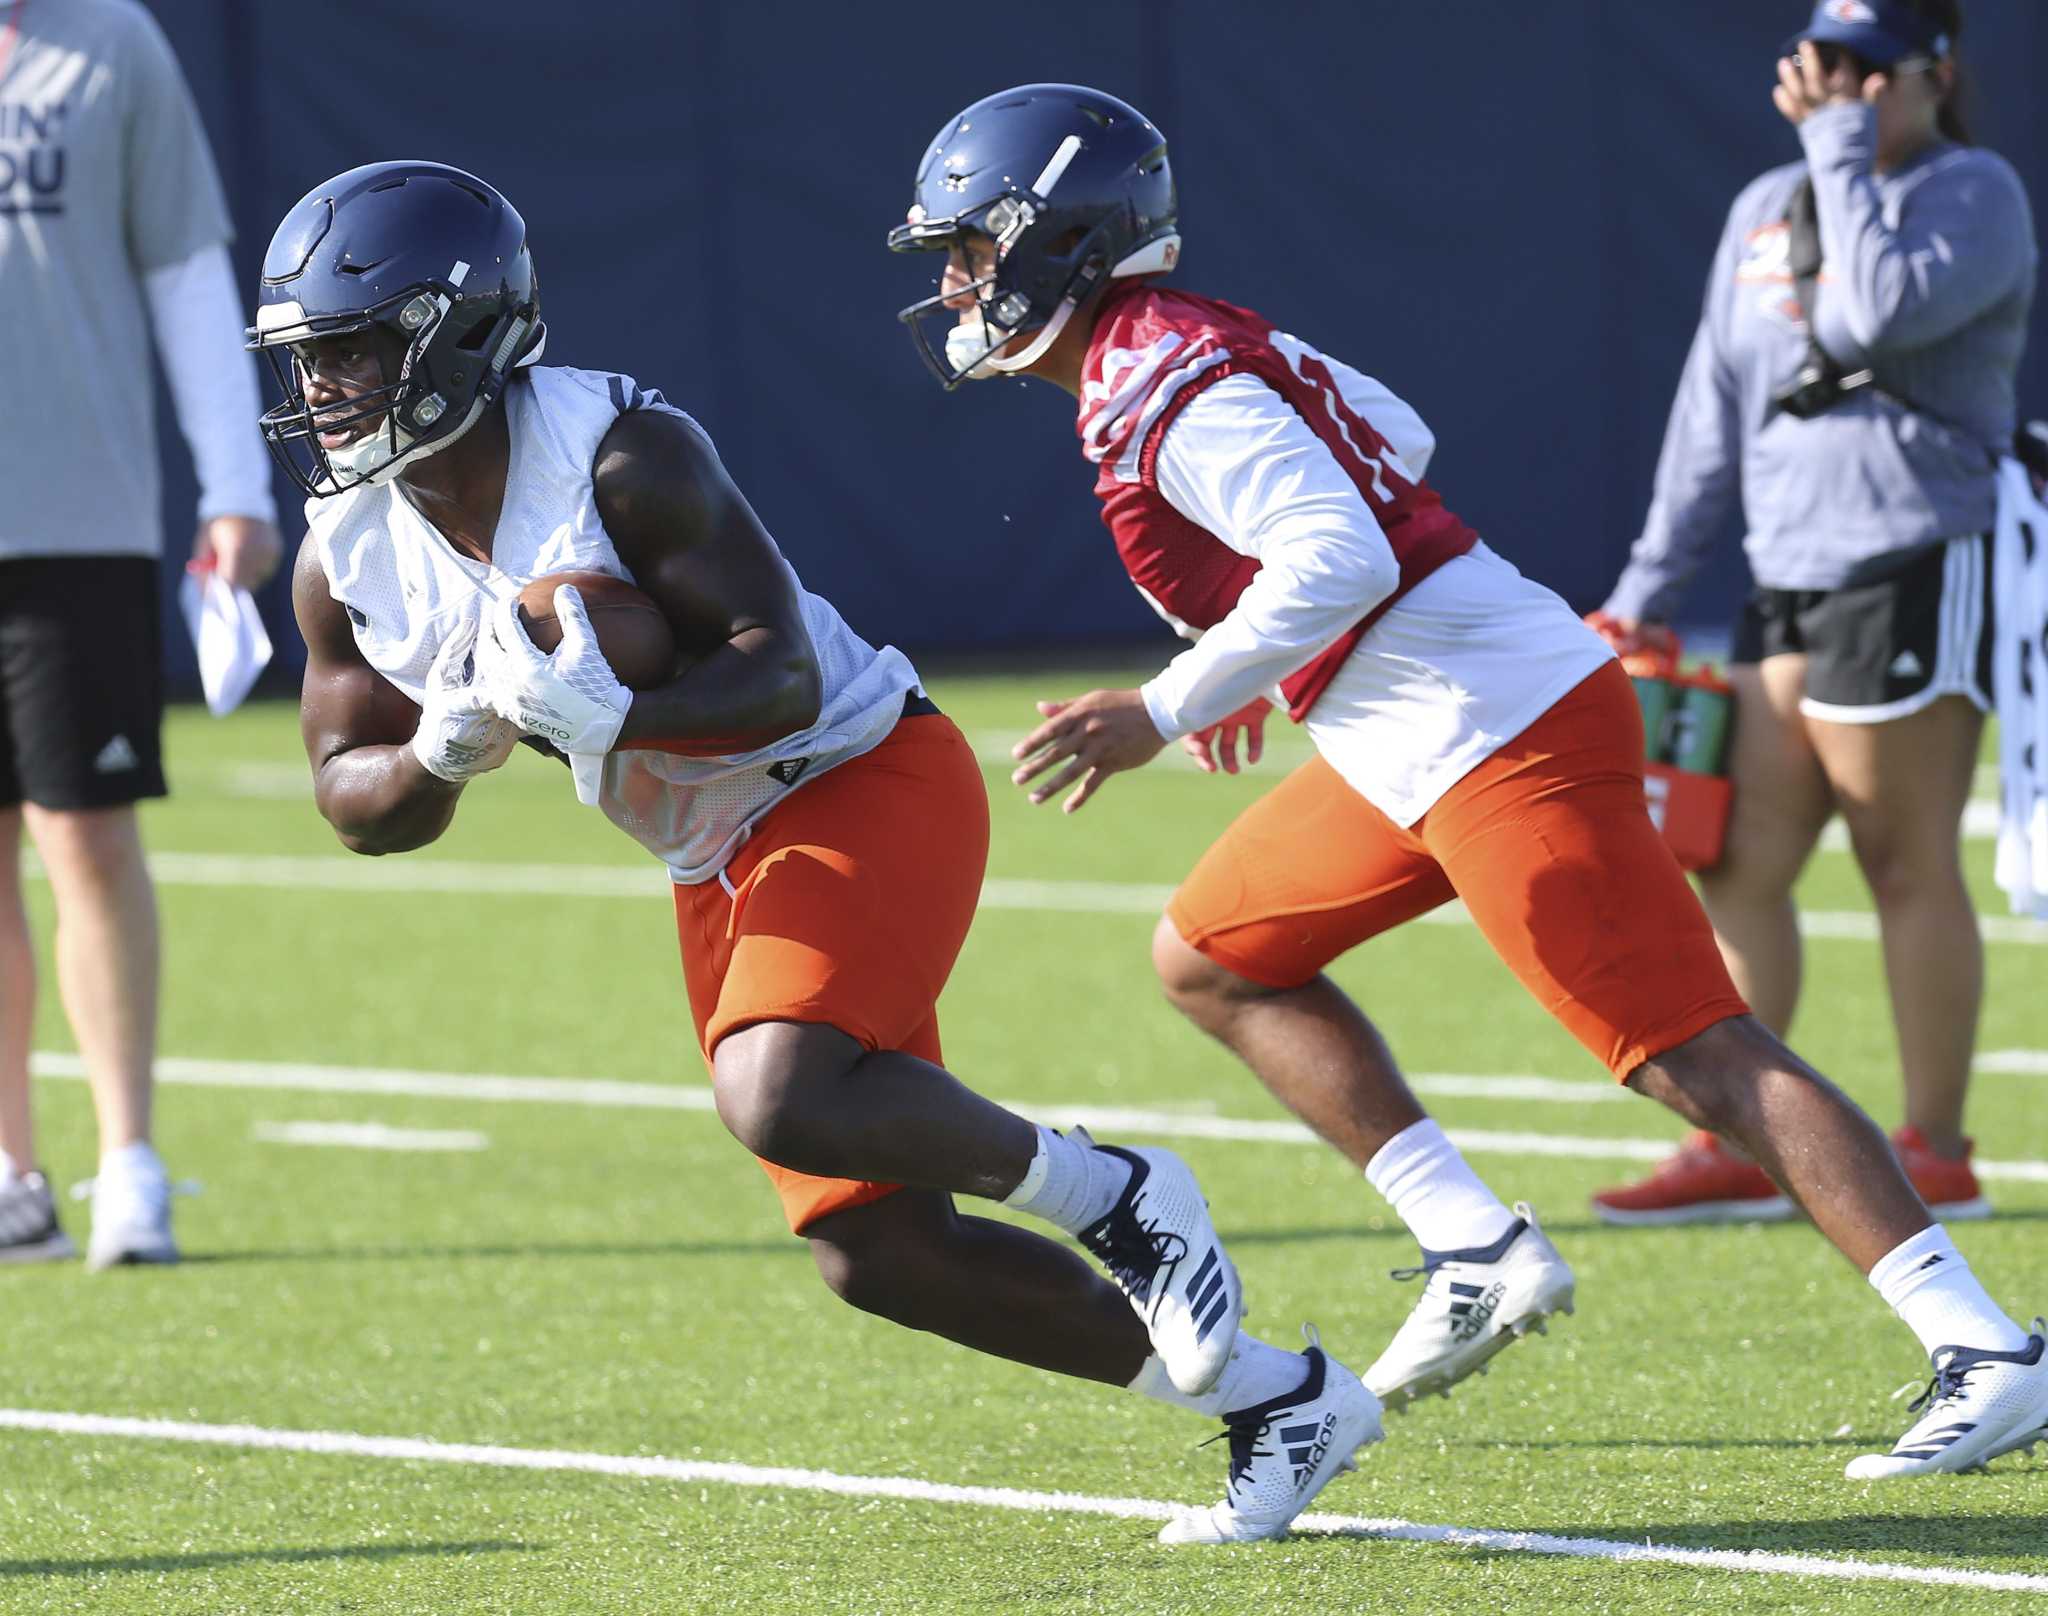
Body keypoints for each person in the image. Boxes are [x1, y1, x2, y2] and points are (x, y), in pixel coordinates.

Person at [888, 81, 2048, 1477]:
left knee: (1696, 1055)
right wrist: (1245, 654)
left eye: (973, 247)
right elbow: (1393, 436)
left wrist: (1173, 698)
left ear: (1056, 237)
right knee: (1213, 953)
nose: (958, 280)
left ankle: (1984, 1347)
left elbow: (1345, 555)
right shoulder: (1160, 351)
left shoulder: (1156, 377)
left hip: (1494, 732)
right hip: (1420, 733)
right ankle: (1474, 1246)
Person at [255, 159, 1379, 1545]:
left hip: (851, 774)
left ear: (457, 332)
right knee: (879, 1251)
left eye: (354, 353)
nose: (323, 391)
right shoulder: (342, 554)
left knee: (778, 1092)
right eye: (310, 361)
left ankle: (1122, 1191)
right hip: (709, 854)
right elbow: (345, 795)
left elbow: (775, 670)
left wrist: (626, 708)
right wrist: (441, 752)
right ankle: (1282, 1405)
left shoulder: (620, 455)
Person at [1589, 0, 2035, 1228]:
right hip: (1780, 577)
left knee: (1900, 856)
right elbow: (1709, 407)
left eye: (1862, 70)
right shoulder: (1757, 208)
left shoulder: (1973, 191)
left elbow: (1869, 316)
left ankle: (1934, 1145)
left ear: (1930, 76)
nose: (1832, 87)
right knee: (1738, 856)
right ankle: (1748, 1132)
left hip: (1905, 558)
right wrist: (1646, 586)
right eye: (1815, 64)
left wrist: (1840, 152)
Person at [0, 0, 283, 1268]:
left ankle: (130, 1162)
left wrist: (237, 486)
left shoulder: (113, 40)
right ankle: (12, 1173)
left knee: (88, 838)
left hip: (78, 522)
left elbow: (182, 269)